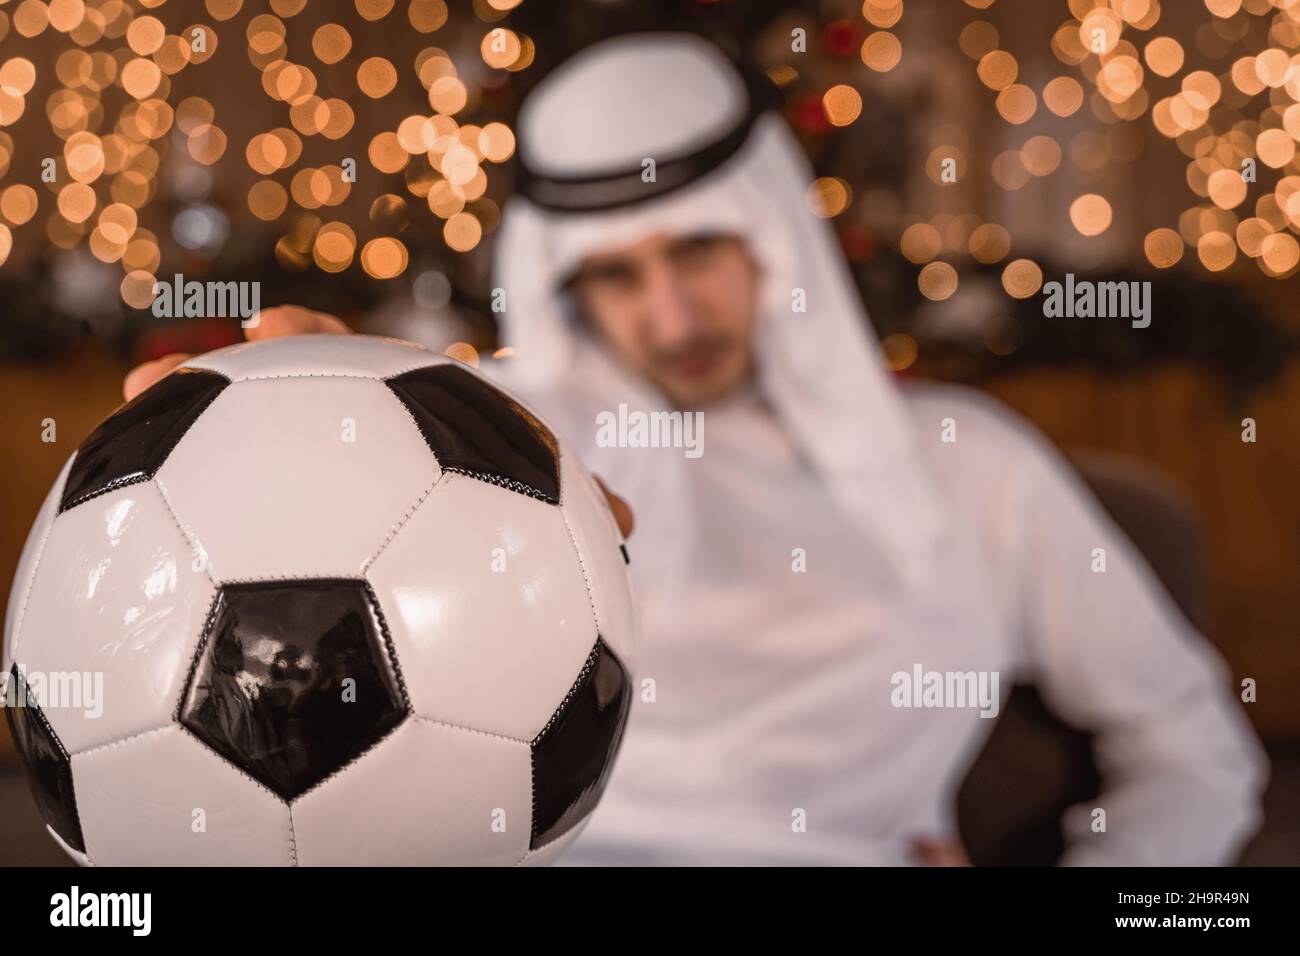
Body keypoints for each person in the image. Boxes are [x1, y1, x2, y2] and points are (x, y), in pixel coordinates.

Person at [126, 33, 1267, 866]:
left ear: (777, 236)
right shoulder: (497, 447)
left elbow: (1190, 744)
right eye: (616, 274)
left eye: (701, 252)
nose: (672, 318)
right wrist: (306, 422)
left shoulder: (974, 463)